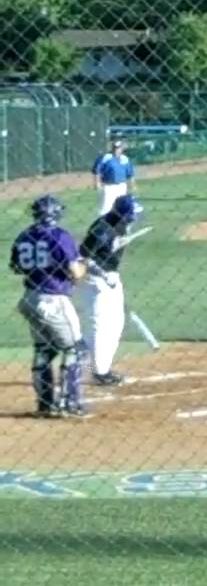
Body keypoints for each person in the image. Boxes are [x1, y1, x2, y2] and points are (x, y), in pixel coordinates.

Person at [10, 195, 90, 418]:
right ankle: (70, 403)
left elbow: (17, 267)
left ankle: (45, 404)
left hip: (29, 300)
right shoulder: (60, 236)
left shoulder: (24, 236)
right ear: (56, 214)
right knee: (76, 349)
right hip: (54, 300)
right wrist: (85, 265)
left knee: (44, 349)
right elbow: (75, 272)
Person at [77, 194, 143, 387]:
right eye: (131, 215)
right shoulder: (101, 230)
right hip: (96, 280)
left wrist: (111, 274)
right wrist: (103, 274)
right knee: (99, 325)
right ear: (121, 214)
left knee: (116, 323)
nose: (133, 219)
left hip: (111, 278)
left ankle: (99, 366)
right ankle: (98, 372)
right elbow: (82, 257)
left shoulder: (121, 225)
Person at [92, 139, 135, 216]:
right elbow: (96, 170)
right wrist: (97, 183)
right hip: (109, 187)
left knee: (121, 208)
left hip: (122, 186)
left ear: (122, 149)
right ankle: (103, 224)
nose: (116, 150)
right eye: (115, 148)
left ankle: (119, 226)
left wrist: (132, 185)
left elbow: (130, 174)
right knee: (106, 208)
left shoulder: (125, 159)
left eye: (119, 148)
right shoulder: (106, 157)